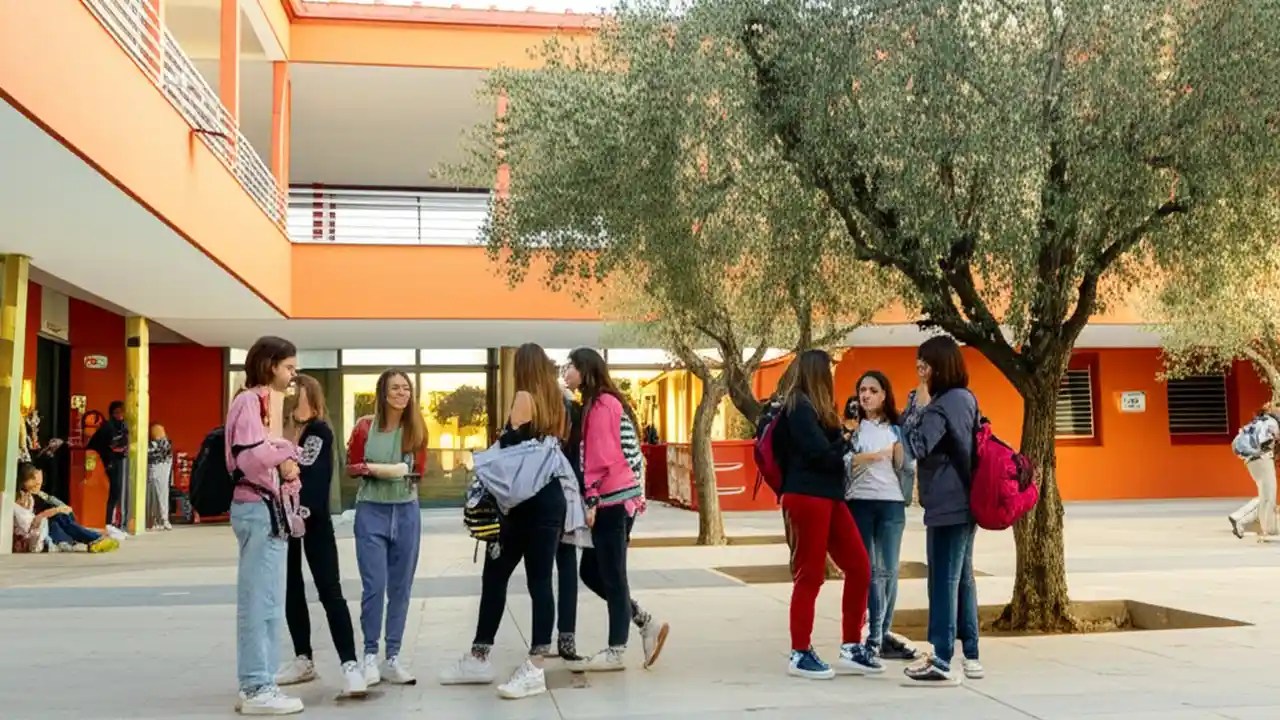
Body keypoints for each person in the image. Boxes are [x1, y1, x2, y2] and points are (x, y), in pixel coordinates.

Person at [439, 344, 572, 699]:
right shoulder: (558, 403)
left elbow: (508, 447)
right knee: (540, 581)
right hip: (549, 500)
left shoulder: (524, 397)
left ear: (523, 368)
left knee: (496, 576)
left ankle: (483, 657)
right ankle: (533, 662)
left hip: (521, 505)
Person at [564, 347, 669, 672]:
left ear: (585, 369)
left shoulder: (603, 404)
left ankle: (616, 650)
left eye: (571, 365)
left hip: (612, 500)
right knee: (592, 571)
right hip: (615, 498)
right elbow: (628, 453)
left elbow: (604, 456)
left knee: (611, 573)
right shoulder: (598, 403)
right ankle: (643, 621)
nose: (566, 370)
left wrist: (593, 497)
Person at [774, 350, 875, 680]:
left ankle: (851, 645)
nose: (833, 372)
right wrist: (844, 443)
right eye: (829, 367)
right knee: (810, 574)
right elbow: (820, 454)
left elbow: (829, 448)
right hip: (807, 496)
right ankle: (800, 652)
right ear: (817, 371)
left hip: (828, 496)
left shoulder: (816, 407)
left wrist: (845, 433)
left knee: (860, 566)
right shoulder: (798, 407)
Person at [226, 336, 305, 715]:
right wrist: (287, 453)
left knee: (270, 601)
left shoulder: (260, 403)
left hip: (266, 510)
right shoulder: (248, 401)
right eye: (288, 367)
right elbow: (251, 458)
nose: (292, 375)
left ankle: (262, 681)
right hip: (257, 508)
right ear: (270, 364)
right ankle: (257, 685)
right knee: (260, 601)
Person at [275, 375, 367, 698]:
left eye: (297, 394)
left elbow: (310, 477)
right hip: (281, 522)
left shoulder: (319, 432)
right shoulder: (276, 432)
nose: (292, 399)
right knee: (291, 589)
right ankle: (303, 658)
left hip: (313, 522)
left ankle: (350, 665)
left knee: (330, 591)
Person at [900, 335, 982, 686]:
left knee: (943, 580)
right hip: (968, 500)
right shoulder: (967, 399)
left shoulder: (940, 405)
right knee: (963, 579)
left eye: (924, 366)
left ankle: (942, 658)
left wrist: (915, 409)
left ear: (938, 366)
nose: (920, 372)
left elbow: (916, 445)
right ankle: (972, 656)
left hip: (946, 502)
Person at [346, 369, 428, 687]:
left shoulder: (416, 429)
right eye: (395, 388)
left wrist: (397, 471)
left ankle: (392, 657)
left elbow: (417, 471)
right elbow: (351, 466)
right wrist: (373, 469)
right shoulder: (365, 426)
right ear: (383, 392)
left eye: (406, 388)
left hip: (406, 512)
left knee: (400, 589)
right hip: (371, 512)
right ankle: (369, 655)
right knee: (374, 586)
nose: (401, 393)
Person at [843, 371, 919, 662]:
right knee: (870, 572)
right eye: (862, 389)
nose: (866, 395)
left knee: (889, 570)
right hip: (860, 503)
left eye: (873, 390)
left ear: (884, 395)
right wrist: (873, 456)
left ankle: (881, 634)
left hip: (891, 504)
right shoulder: (853, 429)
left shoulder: (897, 429)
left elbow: (906, 466)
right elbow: (845, 463)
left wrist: (897, 451)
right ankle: (873, 636)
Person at [12, 463, 118, 553]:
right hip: (34, 536)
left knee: (62, 516)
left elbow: (55, 503)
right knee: (59, 517)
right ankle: (94, 538)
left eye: (39, 481)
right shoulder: (20, 499)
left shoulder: (35, 495)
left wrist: (61, 508)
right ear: (24, 481)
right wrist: (56, 510)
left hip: (45, 530)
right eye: (33, 479)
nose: (37, 483)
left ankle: (91, 538)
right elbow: (34, 522)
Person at [1228, 403, 1280, 541]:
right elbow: (1265, 441)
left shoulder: (1261, 421)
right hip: (1261, 458)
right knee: (1268, 496)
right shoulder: (1271, 423)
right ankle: (1248, 522)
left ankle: (1259, 526)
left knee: (1266, 494)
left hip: (1253, 459)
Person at [88, 400, 129, 533]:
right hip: (109, 461)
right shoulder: (108, 427)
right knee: (113, 491)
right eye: (117, 412)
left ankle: (113, 520)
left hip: (118, 460)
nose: (120, 415)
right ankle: (108, 522)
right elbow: (96, 444)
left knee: (117, 491)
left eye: (122, 412)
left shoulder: (122, 426)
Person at [147, 423, 174, 531]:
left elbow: (151, 454)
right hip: (162, 472)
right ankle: (163, 519)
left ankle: (158, 519)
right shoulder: (165, 443)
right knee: (162, 494)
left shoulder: (158, 444)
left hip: (157, 471)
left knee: (156, 495)